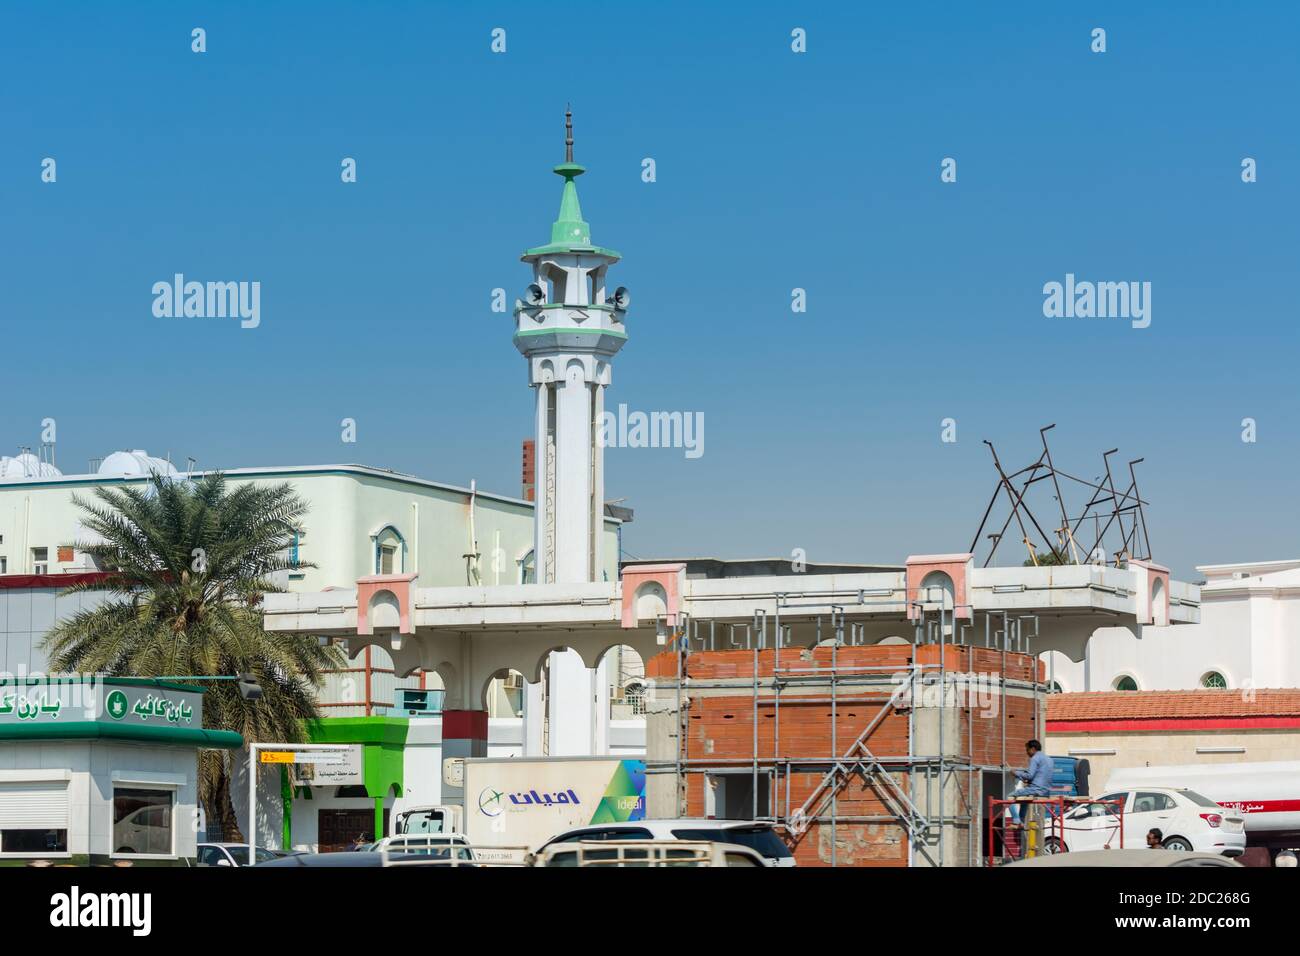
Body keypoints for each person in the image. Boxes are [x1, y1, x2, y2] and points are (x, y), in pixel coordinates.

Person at [1009, 739, 1053, 824]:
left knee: (1008, 797)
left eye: (1027, 750)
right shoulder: (1049, 759)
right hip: (1046, 790)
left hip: (1036, 789)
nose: (1027, 753)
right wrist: (1028, 781)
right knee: (1024, 800)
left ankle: (1016, 820)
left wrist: (1016, 773)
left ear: (1033, 749)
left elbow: (1029, 775)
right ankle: (1021, 820)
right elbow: (1041, 776)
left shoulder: (1035, 758)